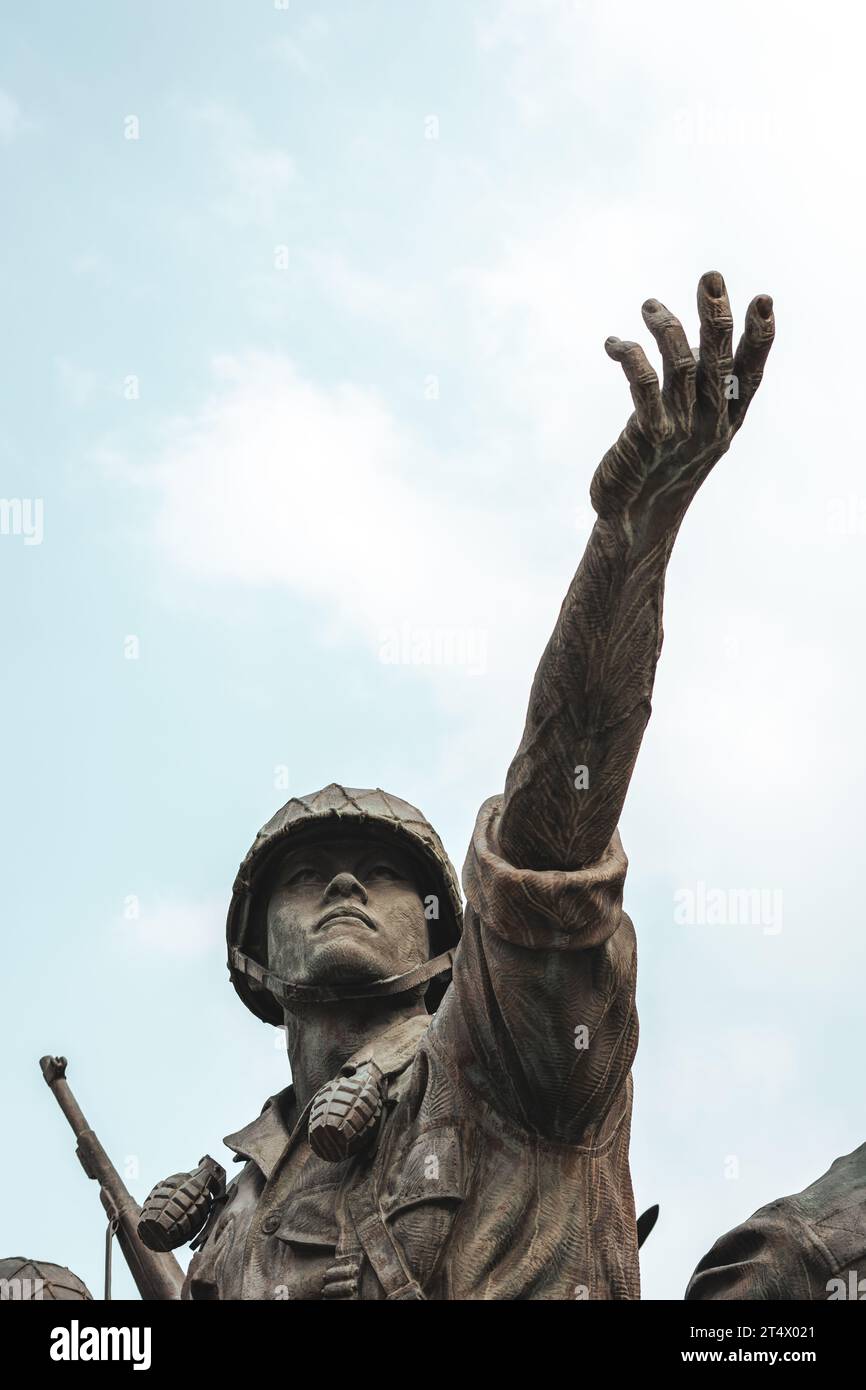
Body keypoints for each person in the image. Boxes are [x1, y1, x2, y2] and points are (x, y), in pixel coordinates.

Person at [177, 273, 775, 1300]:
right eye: (307, 874)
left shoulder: (499, 1059)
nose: (344, 885)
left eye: (381, 874)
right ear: (252, 956)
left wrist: (631, 536)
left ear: (447, 945)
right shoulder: (231, 1222)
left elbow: (551, 845)